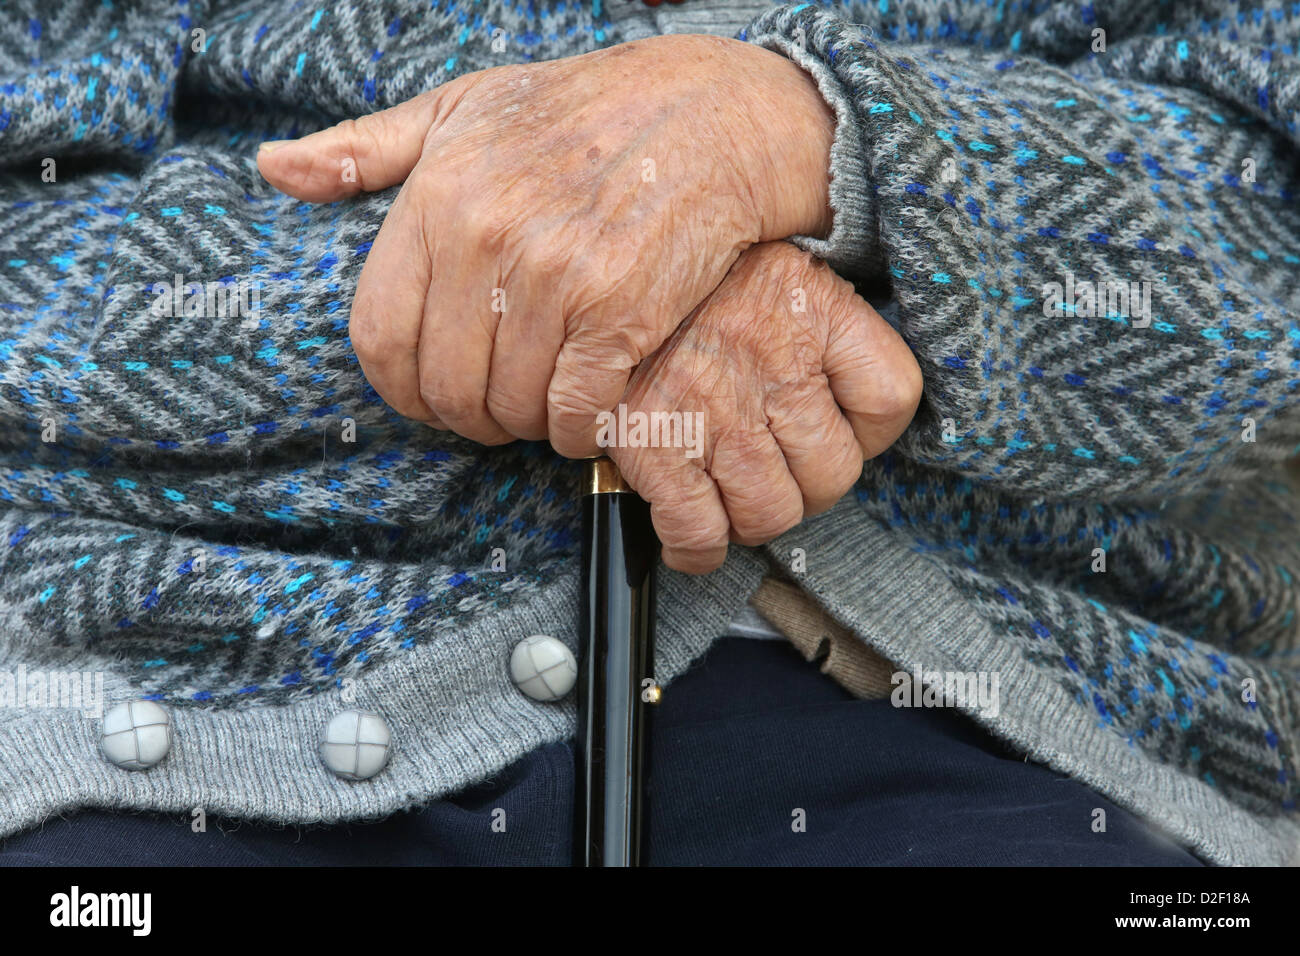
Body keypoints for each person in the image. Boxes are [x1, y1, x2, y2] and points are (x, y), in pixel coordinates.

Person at [0, 0, 1296, 866]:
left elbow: (1268, 208)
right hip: (188, 679)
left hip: (1003, 714)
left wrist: (824, 147)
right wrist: (536, 272)